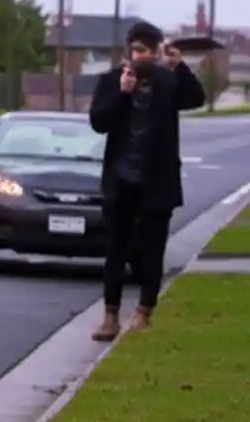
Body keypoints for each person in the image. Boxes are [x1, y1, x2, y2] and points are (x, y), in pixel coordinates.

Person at [87, 21, 205, 341]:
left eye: (149, 51)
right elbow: (99, 122)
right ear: (129, 51)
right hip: (121, 179)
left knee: (153, 250)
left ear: (156, 53)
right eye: (137, 50)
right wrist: (123, 95)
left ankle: (144, 311)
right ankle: (110, 315)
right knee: (116, 249)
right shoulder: (112, 81)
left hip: (157, 180)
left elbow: (196, 98)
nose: (142, 56)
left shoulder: (168, 82)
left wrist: (179, 66)